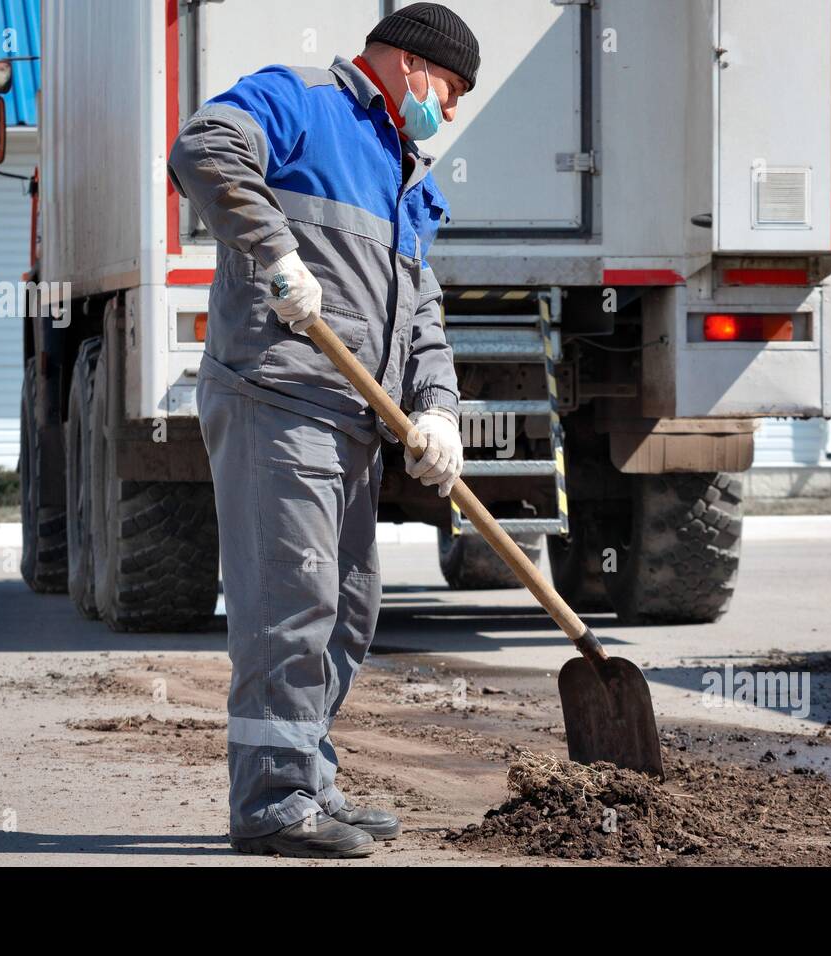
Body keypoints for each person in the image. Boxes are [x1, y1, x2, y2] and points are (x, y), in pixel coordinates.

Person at [167, 3, 480, 858]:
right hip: (277, 394)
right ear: (412, 67)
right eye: (448, 91)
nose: (446, 113)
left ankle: (309, 777)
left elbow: (422, 316)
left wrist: (439, 409)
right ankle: (270, 804)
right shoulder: (300, 100)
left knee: (347, 609)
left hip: (352, 423)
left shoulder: (406, 174)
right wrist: (277, 255)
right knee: (290, 601)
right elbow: (202, 150)